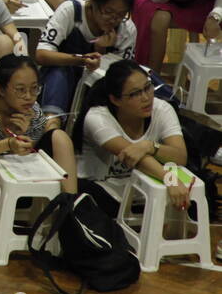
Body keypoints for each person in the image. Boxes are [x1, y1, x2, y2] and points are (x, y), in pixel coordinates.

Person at [0, 54, 78, 261]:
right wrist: (6, 143)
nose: (29, 97)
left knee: (60, 138)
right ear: (0, 88)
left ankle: (71, 219)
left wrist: (26, 136)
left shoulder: (34, 112)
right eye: (20, 90)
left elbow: (33, 156)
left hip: (20, 188)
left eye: (34, 88)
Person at [76, 59, 190, 217]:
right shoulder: (97, 118)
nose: (146, 98)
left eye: (147, 87)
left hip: (142, 191)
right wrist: (170, 179)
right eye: (135, 94)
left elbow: (180, 156)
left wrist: (149, 146)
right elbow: (134, 156)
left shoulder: (161, 108)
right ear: (115, 100)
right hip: (101, 191)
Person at [36, 0, 137, 122]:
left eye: (121, 15)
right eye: (108, 11)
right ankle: (52, 127)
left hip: (98, 89)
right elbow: (42, 54)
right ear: (94, 2)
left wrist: (101, 52)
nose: (113, 19)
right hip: (61, 77)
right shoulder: (71, 10)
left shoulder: (127, 29)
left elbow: (122, 77)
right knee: (58, 72)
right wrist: (81, 60)